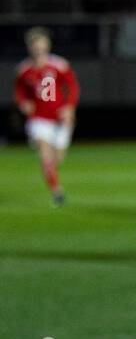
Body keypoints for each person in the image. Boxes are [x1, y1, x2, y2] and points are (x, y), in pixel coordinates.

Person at [13, 27, 78, 207]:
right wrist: (23, 103)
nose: (39, 51)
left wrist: (69, 107)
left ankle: (52, 177)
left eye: (42, 47)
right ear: (30, 48)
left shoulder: (59, 65)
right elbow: (19, 91)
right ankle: (57, 192)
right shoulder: (24, 70)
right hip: (38, 119)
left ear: (47, 46)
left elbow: (72, 87)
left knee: (58, 158)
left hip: (59, 118)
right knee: (45, 156)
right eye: (35, 47)